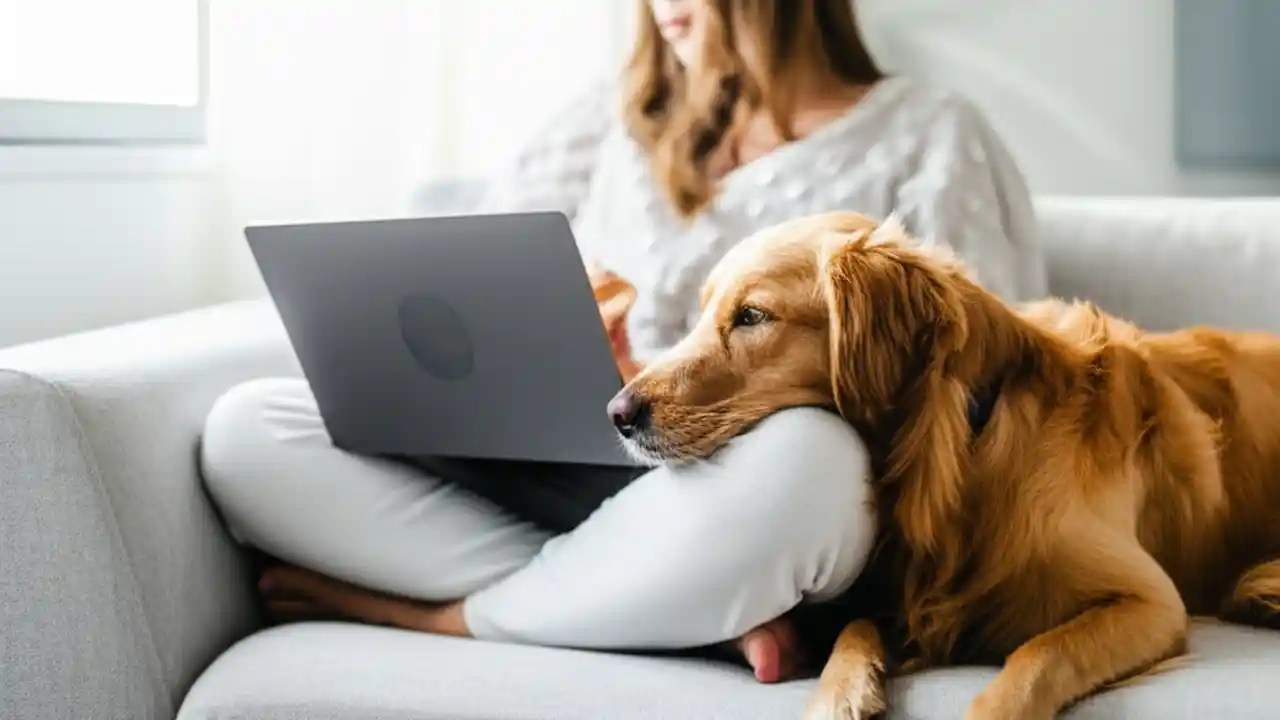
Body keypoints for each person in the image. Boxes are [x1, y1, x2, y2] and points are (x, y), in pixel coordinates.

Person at [201, 0, 1046, 683]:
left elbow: (982, 403)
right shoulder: (613, 124)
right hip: (588, 452)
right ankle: (692, 613)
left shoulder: (931, 133)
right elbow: (468, 278)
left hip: (749, 494)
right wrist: (556, 344)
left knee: (810, 463)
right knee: (248, 432)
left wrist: (698, 389)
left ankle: (445, 618)